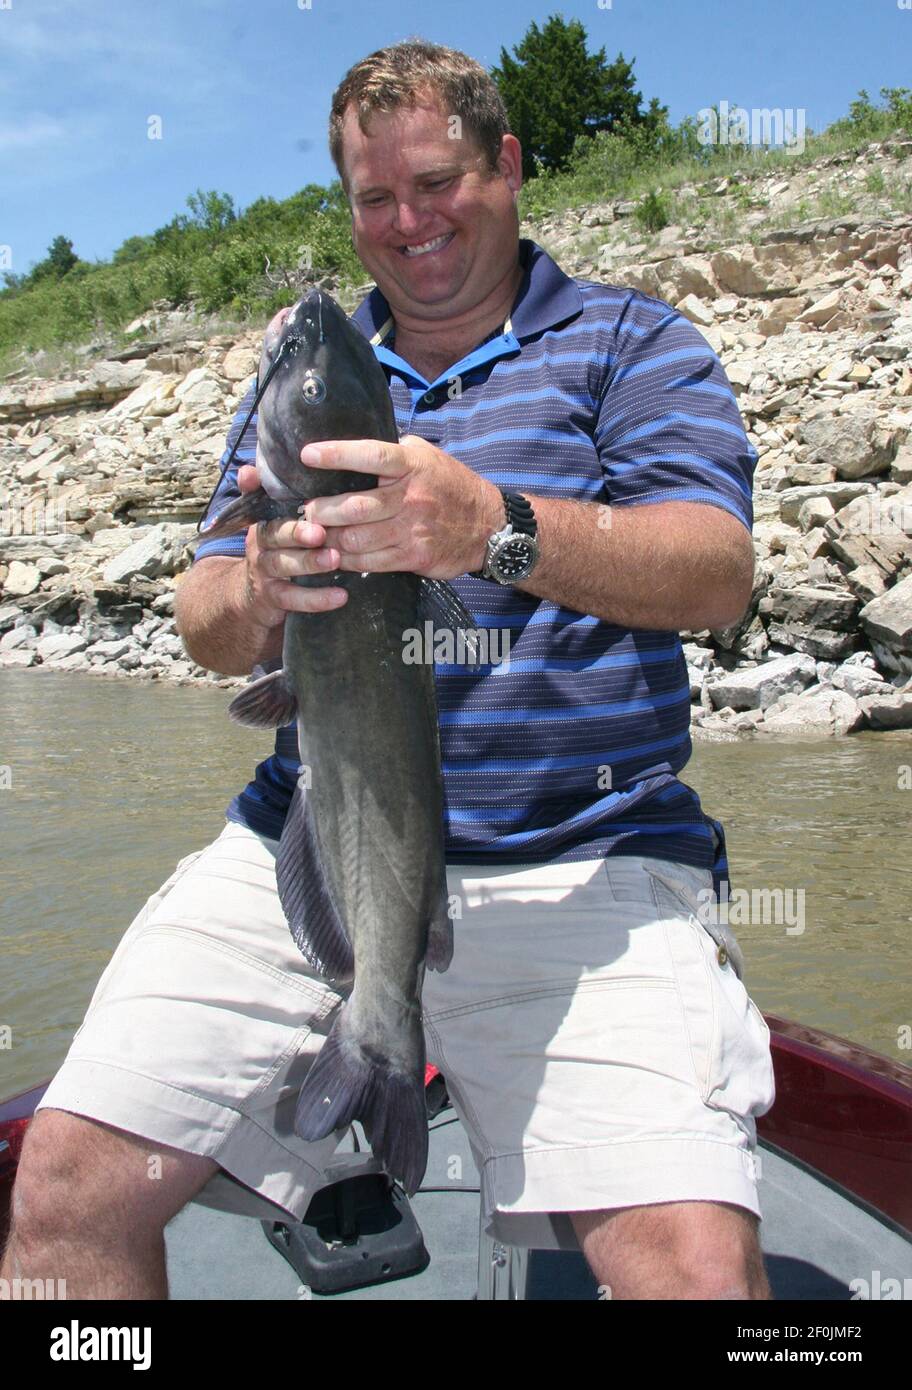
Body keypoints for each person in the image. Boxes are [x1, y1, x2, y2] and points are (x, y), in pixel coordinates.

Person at [1, 38, 774, 1300]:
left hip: (582, 855)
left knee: (694, 1271)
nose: (406, 222)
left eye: (438, 182)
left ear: (509, 165)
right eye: (374, 197)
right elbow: (202, 624)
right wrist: (254, 589)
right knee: (63, 1192)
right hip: (310, 836)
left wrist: (494, 529)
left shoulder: (633, 343)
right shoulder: (305, 381)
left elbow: (715, 572)